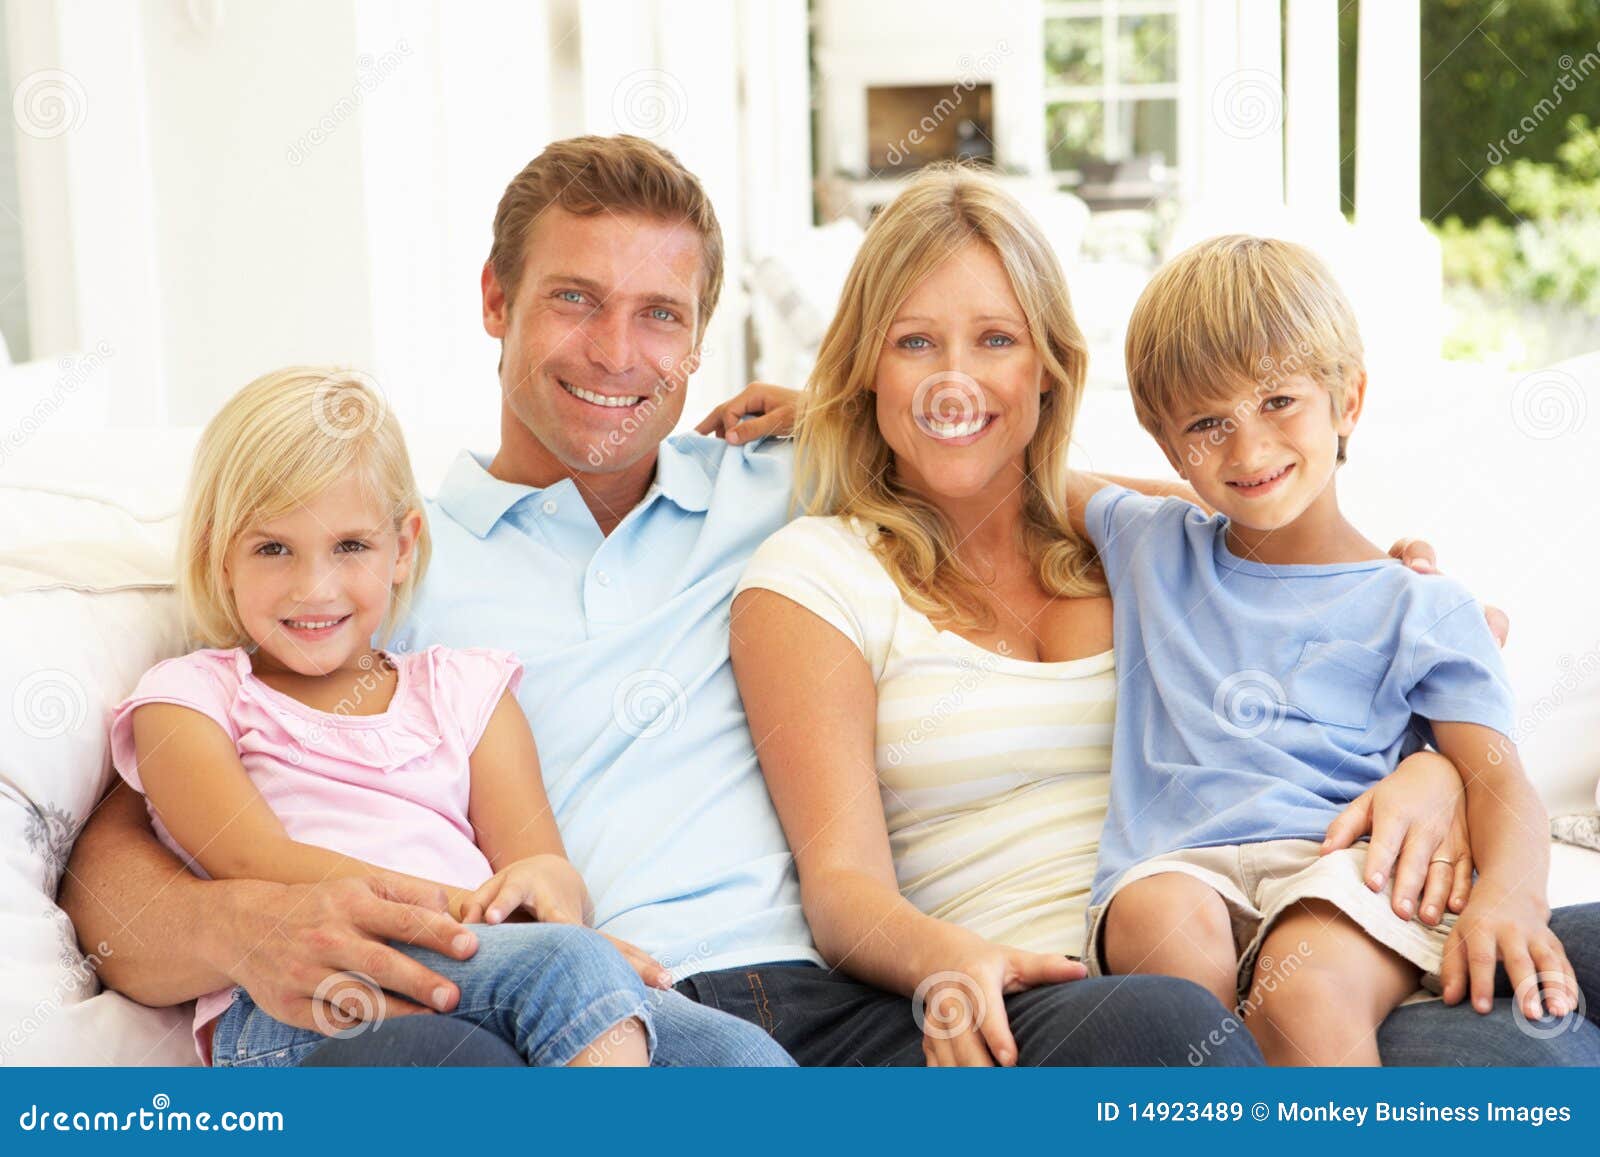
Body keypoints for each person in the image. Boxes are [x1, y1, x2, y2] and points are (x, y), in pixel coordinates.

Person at [60, 136, 1600, 1066]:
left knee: (1214, 1026)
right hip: (646, 989)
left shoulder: (781, 484)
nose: (618, 350)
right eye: (574, 301)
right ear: (492, 306)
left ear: (705, 335)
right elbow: (157, 804)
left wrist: (1430, 729)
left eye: (660, 312)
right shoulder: (380, 556)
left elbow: (1237, 504)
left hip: (887, 986)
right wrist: (244, 924)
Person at [107, 366, 790, 1068]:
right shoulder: (190, 699)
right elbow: (254, 860)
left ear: (403, 546)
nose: (314, 586)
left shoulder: (464, 689)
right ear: (218, 555)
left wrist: (540, 896)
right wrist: (477, 917)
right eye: (273, 548)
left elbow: (542, 866)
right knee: (566, 968)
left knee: (740, 1054)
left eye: (350, 546)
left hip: (491, 970)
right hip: (303, 997)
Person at [1073, 234, 1574, 1065]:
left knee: (1305, 994)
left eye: (1278, 403)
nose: (1248, 449)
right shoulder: (1148, 542)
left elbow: (1496, 776)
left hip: (1340, 871)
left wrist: (1510, 896)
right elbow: (995, 465)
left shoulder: (1423, 604)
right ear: (1169, 446)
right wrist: (836, 409)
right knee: (1169, 955)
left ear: (1348, 400)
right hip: (1171, 866)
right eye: (1207, 423)